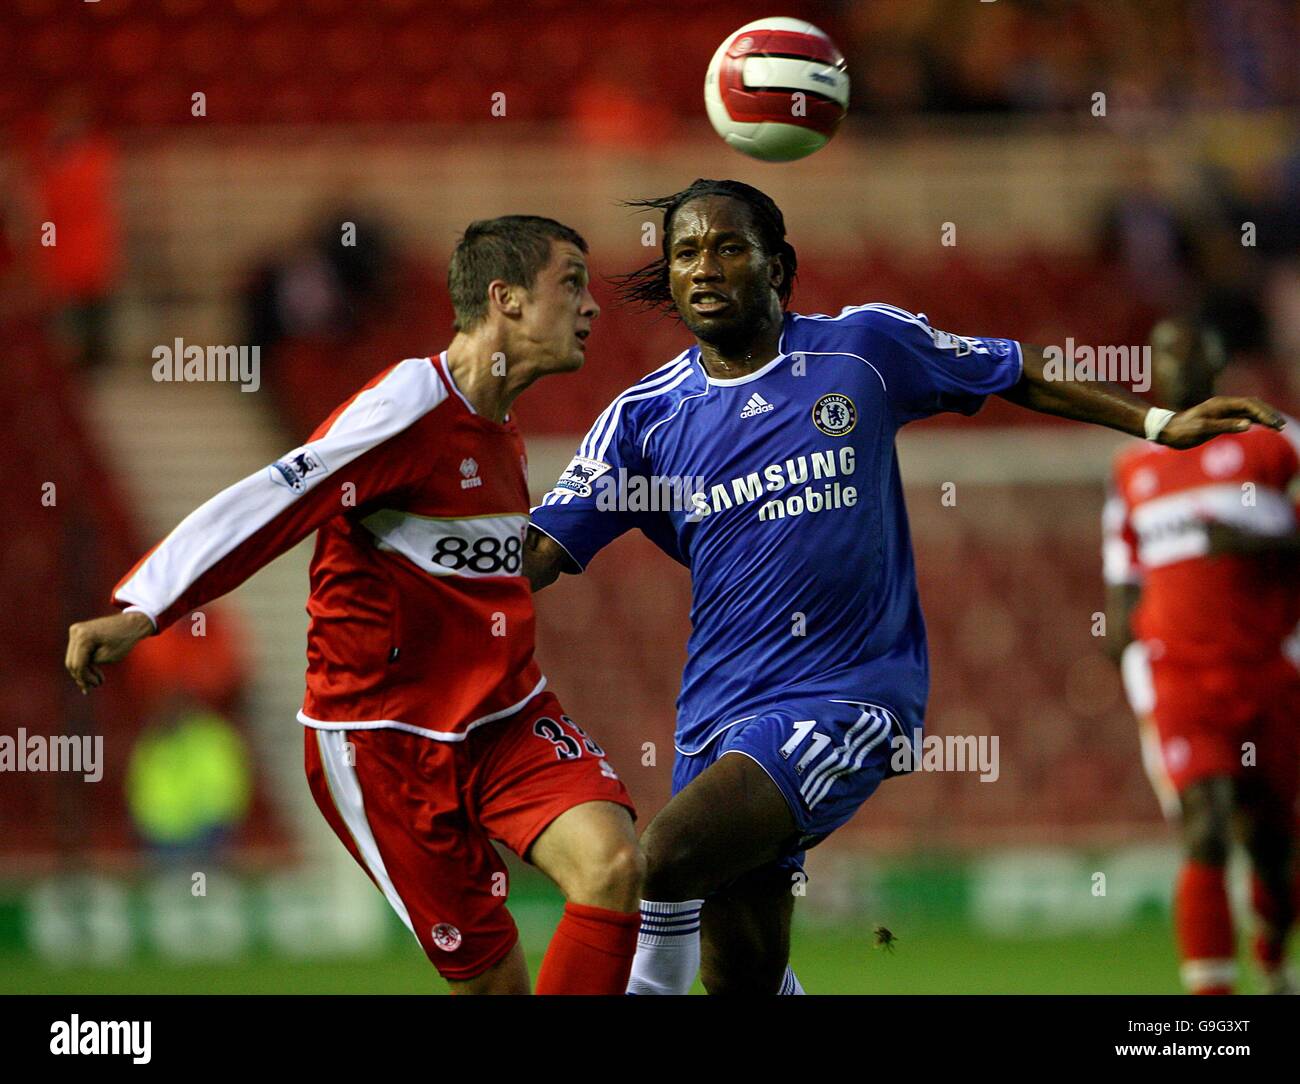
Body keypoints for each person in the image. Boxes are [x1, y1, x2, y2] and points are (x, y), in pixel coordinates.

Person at [523, 178, 1284, 995]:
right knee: (744, 977)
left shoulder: (864, 350)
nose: (704, 267)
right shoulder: (645, 418)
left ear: (779, 266)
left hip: (852, 695)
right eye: (684, 252)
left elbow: (1013, 371)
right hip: (715, 715)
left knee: (665, 858)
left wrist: (1156, 424)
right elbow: (540, 548)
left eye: (728, 247)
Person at [66, 216, 644, 995]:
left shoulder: (499, 433)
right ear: (504, 299)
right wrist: (144, 606)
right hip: (383, 741)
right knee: (494, 985)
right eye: (569, 283)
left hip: (504, 714)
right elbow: (275, 499)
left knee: (613, 864)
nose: (591, 306)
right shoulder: (409, 405)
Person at [1103, 316, 1300, 995]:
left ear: (1218, 359)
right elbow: (1123, 577)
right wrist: (1121, 634)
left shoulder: (1274, 445)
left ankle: (1273, 958)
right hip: (1179, 676)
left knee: (1275, 849)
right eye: (1162, 351)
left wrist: (1256, 544)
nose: (1173, 362)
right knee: (1205, 829)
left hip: (1269, 672)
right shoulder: (1134, 467)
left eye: (1188, 347)